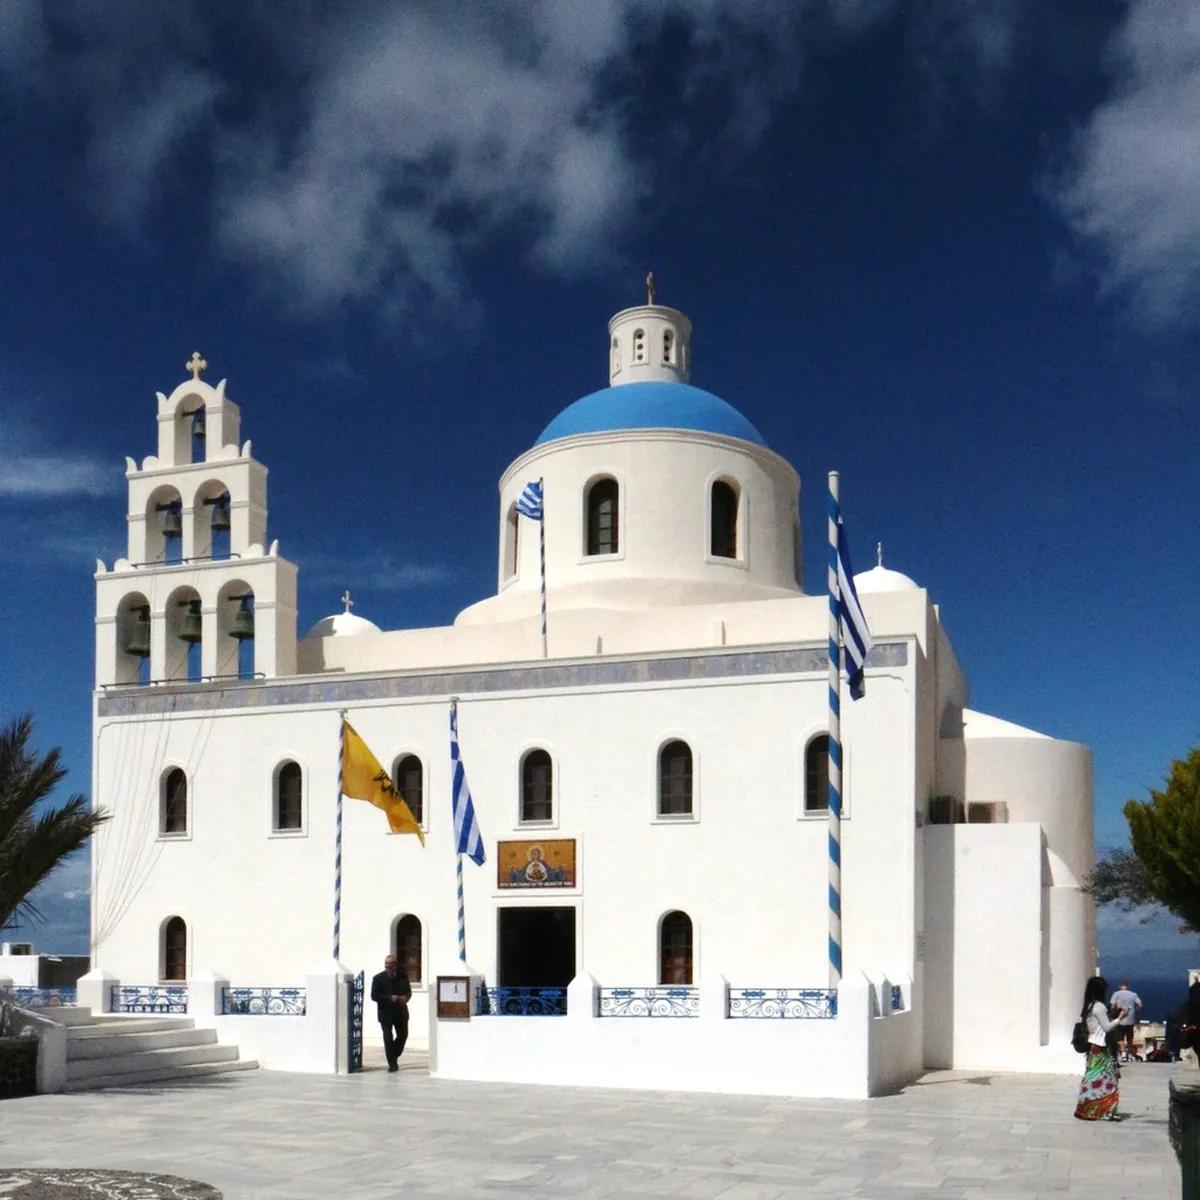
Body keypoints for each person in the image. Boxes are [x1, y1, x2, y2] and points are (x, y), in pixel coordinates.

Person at [1074, 975, 1128, 1121]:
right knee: (1109, 1081)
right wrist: (1120, 1017)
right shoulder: (1099, 1007)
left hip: (1092, 1047)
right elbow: (1107, 1027)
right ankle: (1105, 1111)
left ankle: (1088, 1109)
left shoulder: (1089, 1006)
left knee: (1092, 1080)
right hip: (1101, 1048)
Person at [370, 953, 411, 1073]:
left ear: (395, 965)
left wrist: (406, 998)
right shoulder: (378, 978)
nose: (388, 966)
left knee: (403, 1035)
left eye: (390, 964)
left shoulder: (403, 976)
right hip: (386, 1013)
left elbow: (408, 991)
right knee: (388, 1038)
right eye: (386, 964)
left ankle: (393, 1054)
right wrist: (389, 998)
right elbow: (374, 996)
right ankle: (392, 1064)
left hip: (401, 1012)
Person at [1108, 980, 1142, 1062]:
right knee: (1130, 1038)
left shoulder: (1116, 994)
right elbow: (1140, 1005)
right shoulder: (1133, 994)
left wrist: (1112, 1014)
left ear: (1120, 986)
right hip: (1130, 1019)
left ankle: (1123, 1054)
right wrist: (1135, 1011)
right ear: (1127, 986)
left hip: (1120, 1019)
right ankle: (1130, 1055)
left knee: (1120, 1038)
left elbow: (1112, 1006)